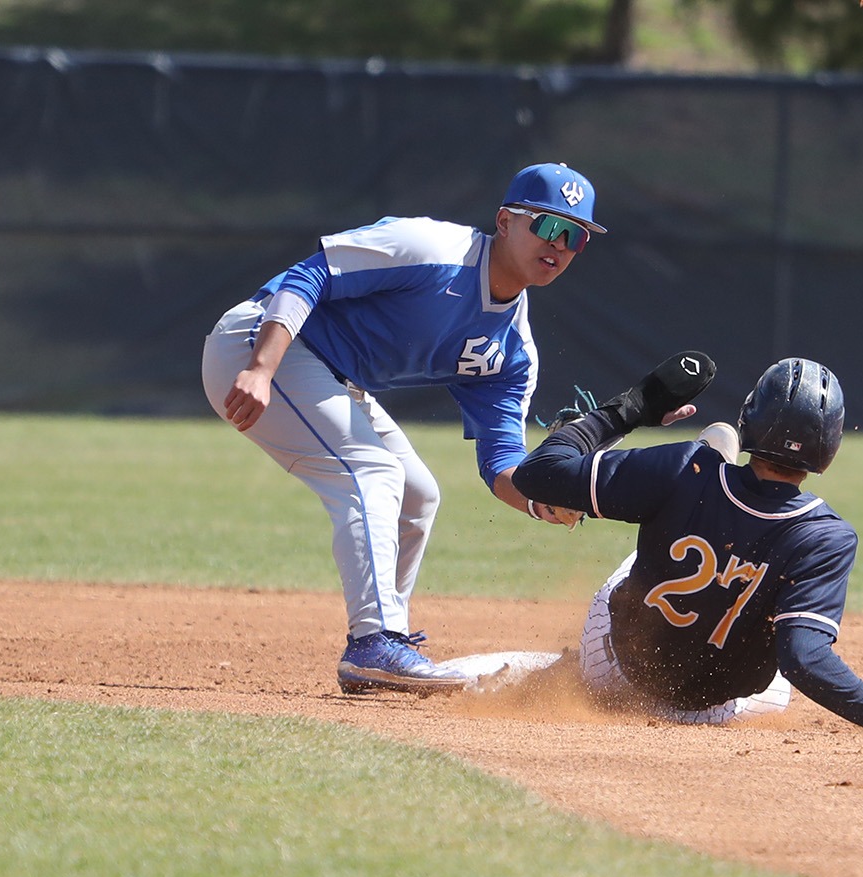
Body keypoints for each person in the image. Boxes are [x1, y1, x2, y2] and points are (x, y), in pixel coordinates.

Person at [201, 163, 602, 695]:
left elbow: (501, 464)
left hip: (330, 373)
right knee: (373, 471)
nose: (560, 244)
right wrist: (261, 368)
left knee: (418, 494)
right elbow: (309, 274)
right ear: (505, 222)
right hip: (258, 342)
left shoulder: (513, 350)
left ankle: (380, 650)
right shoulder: (432, 248)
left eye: (576, 236)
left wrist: (543, 500)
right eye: (548, 226)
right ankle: (375, 640)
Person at [512, 355, 863, 736]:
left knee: (670, 518)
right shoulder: (826, 536)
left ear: (751, 416)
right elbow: (806, 659)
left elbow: (536, 475)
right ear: (830, 444)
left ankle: (663, 481)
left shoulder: (683, 467)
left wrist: (629, 409)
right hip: (709, 714)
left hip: (609, 668)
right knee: (781, 654)